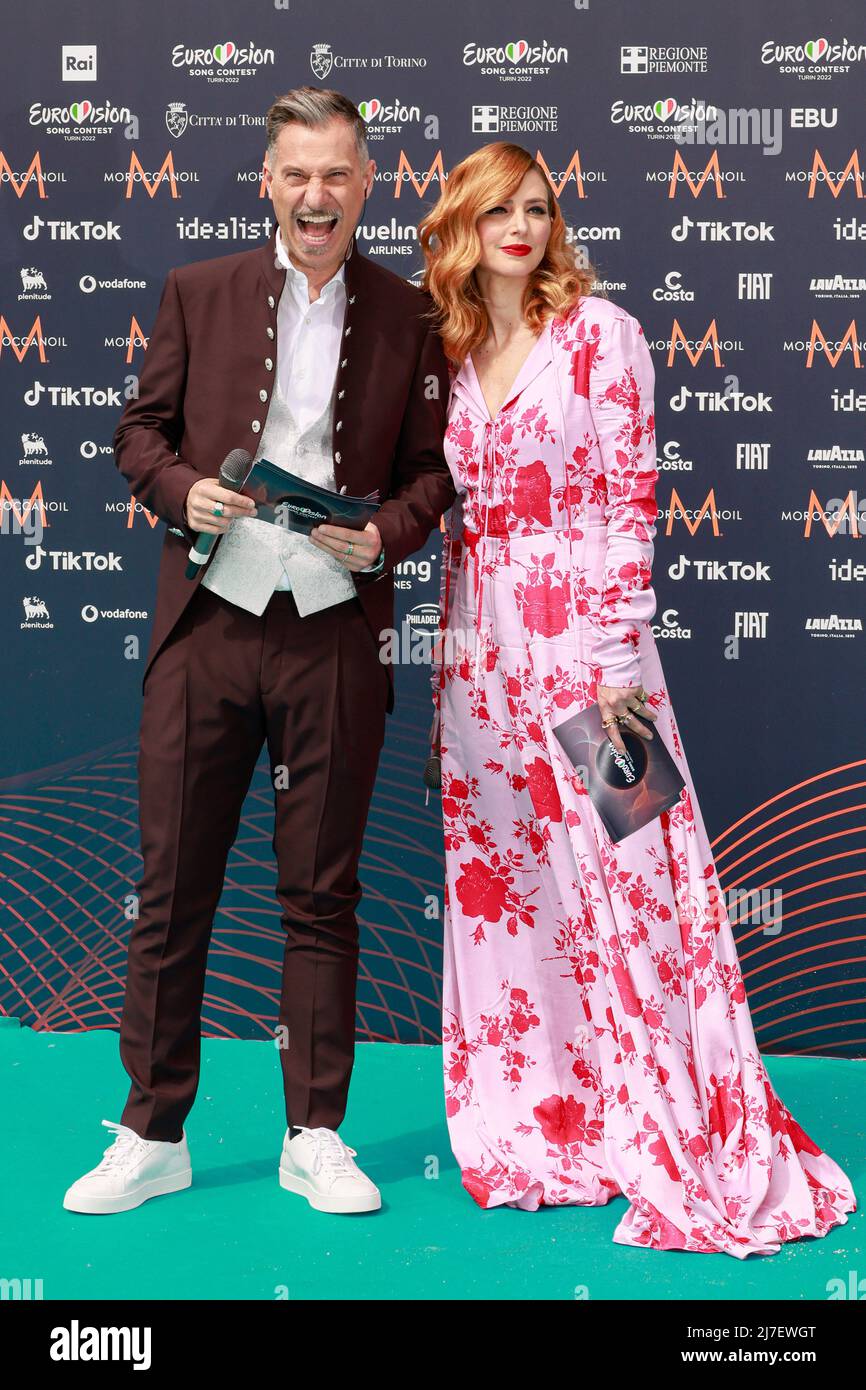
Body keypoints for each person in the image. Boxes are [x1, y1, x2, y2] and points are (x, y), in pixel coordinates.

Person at [419, 142, 857, 1255]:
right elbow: (460, 536)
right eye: (496, 209)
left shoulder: (600, 336)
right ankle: (542, 1122)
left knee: (638, 891)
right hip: (484, 669)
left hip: (589, 663)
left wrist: (615, 672)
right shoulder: (456, 352)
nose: (519, 226)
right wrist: (443, 687)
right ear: (462, 227)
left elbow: (628, 502)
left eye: (536, 207)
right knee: (507, 898)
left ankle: (676, 1129)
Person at [63, 87, 455, 1217]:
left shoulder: (410, 314)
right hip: (208, 631)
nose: (316, 195)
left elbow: (433, 469)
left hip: (333, 634)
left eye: (336, 174)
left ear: (367, 182)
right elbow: (139, 432)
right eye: (297, 174)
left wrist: (385, 531)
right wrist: (190, 496)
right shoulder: (198, 290)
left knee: (322, 895)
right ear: (267, 182)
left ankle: (315, 1132)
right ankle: (150, 1129)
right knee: (171, 885)